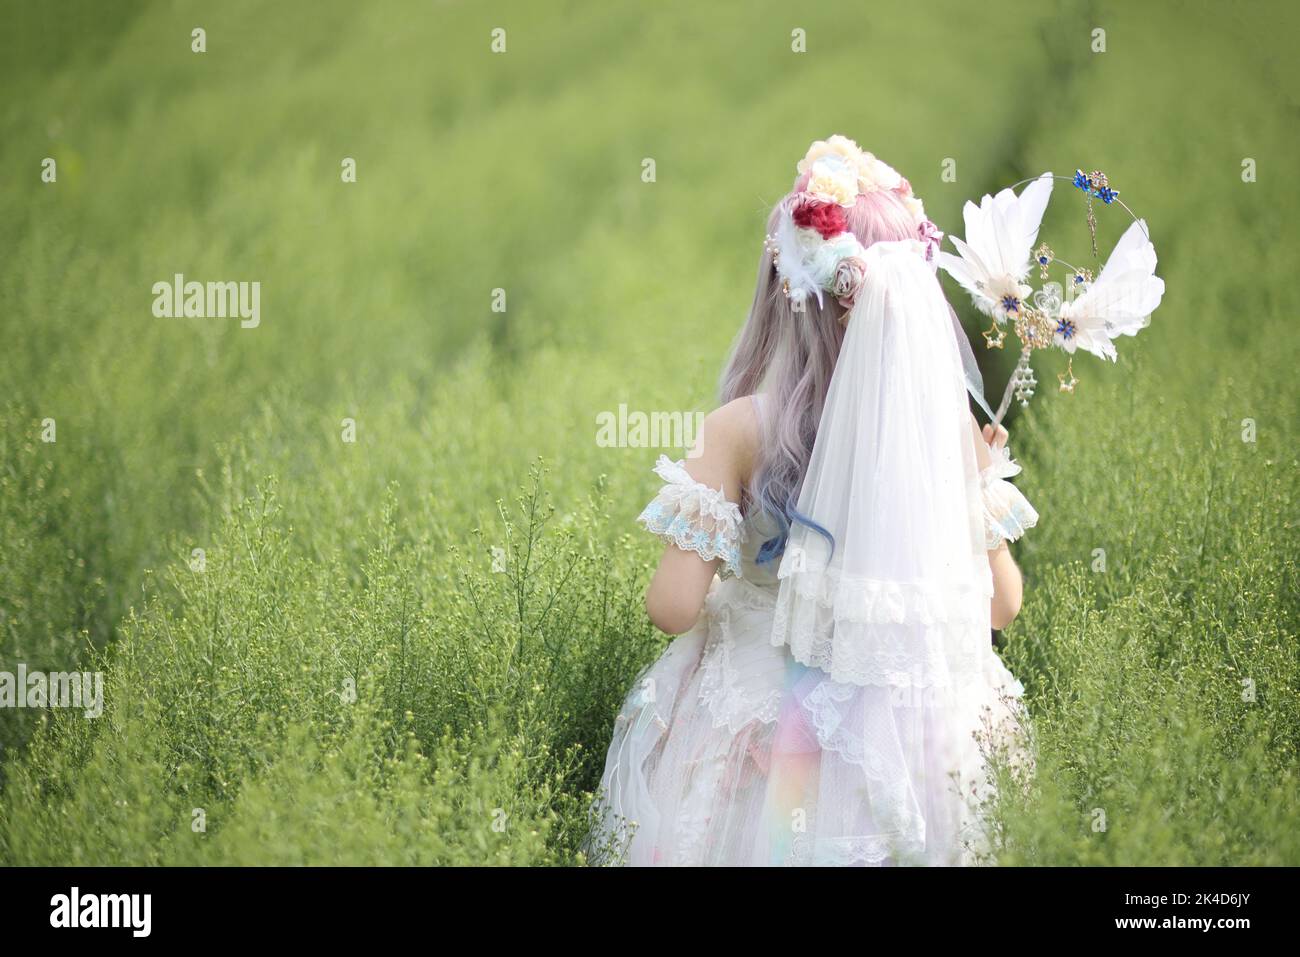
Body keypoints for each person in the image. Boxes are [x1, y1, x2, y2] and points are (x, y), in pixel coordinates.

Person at [590, 136, 1037, 867]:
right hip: (905, 721)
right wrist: (979, 474)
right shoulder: (948, 434)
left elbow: (671, 606)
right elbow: (1000, 606)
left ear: (784, 296)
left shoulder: (740, 430)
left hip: (766, 719)